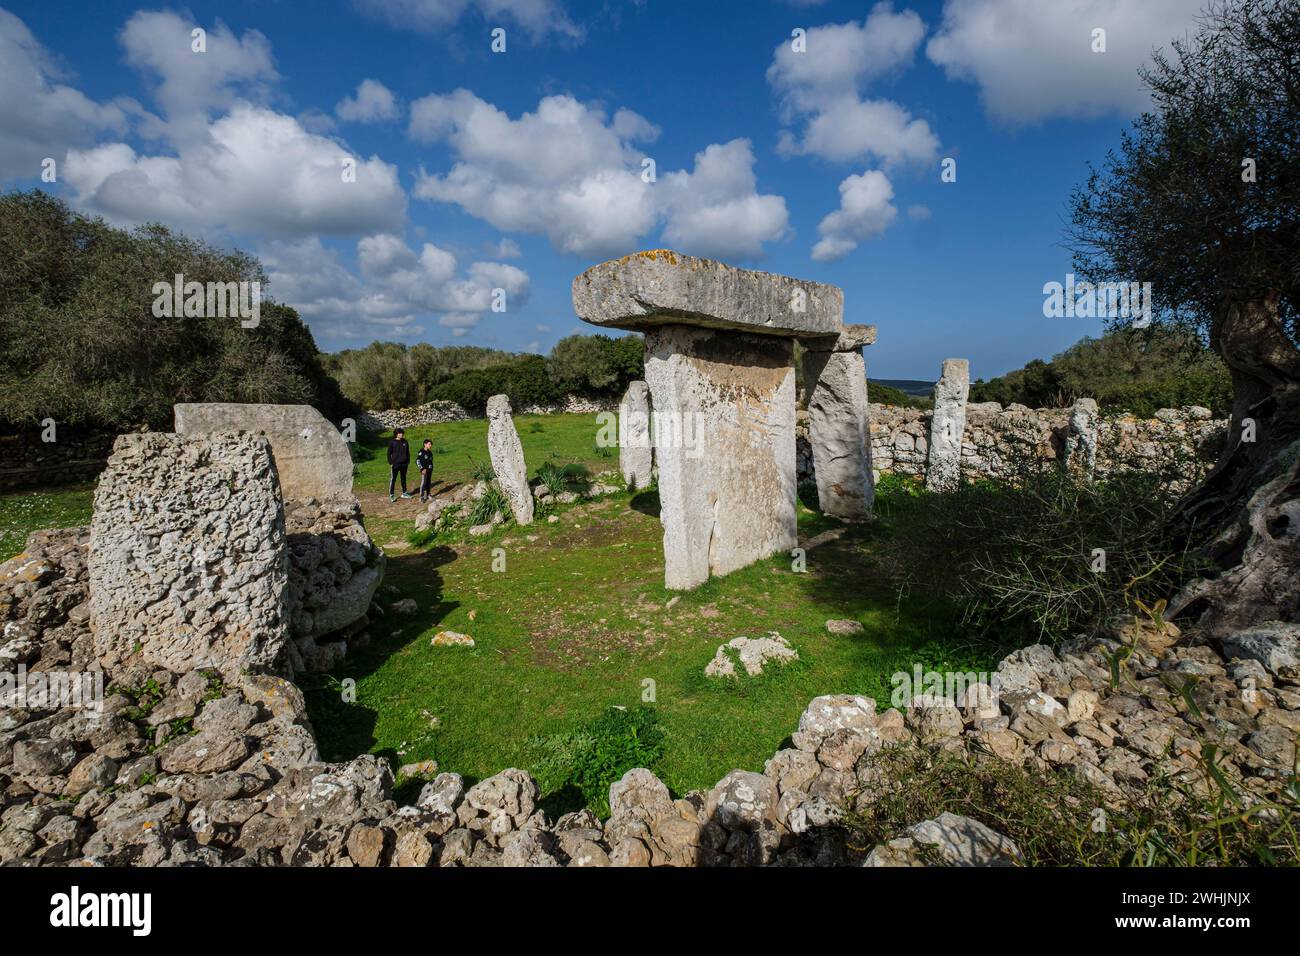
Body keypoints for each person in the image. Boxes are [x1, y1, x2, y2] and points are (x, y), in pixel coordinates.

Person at [387, 428, 412, 501]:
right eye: (400, 433)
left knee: (403, 479)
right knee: (393, 479)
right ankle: (391, 495)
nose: (402, 434)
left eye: (402, 433)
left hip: (404, 464)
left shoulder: (405, 442)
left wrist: (408, 461)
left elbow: (408, 452)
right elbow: (389, 453)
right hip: (395, 464)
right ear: (396, 434)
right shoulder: (392, 442)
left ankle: (404, 493)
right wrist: (391, 463)